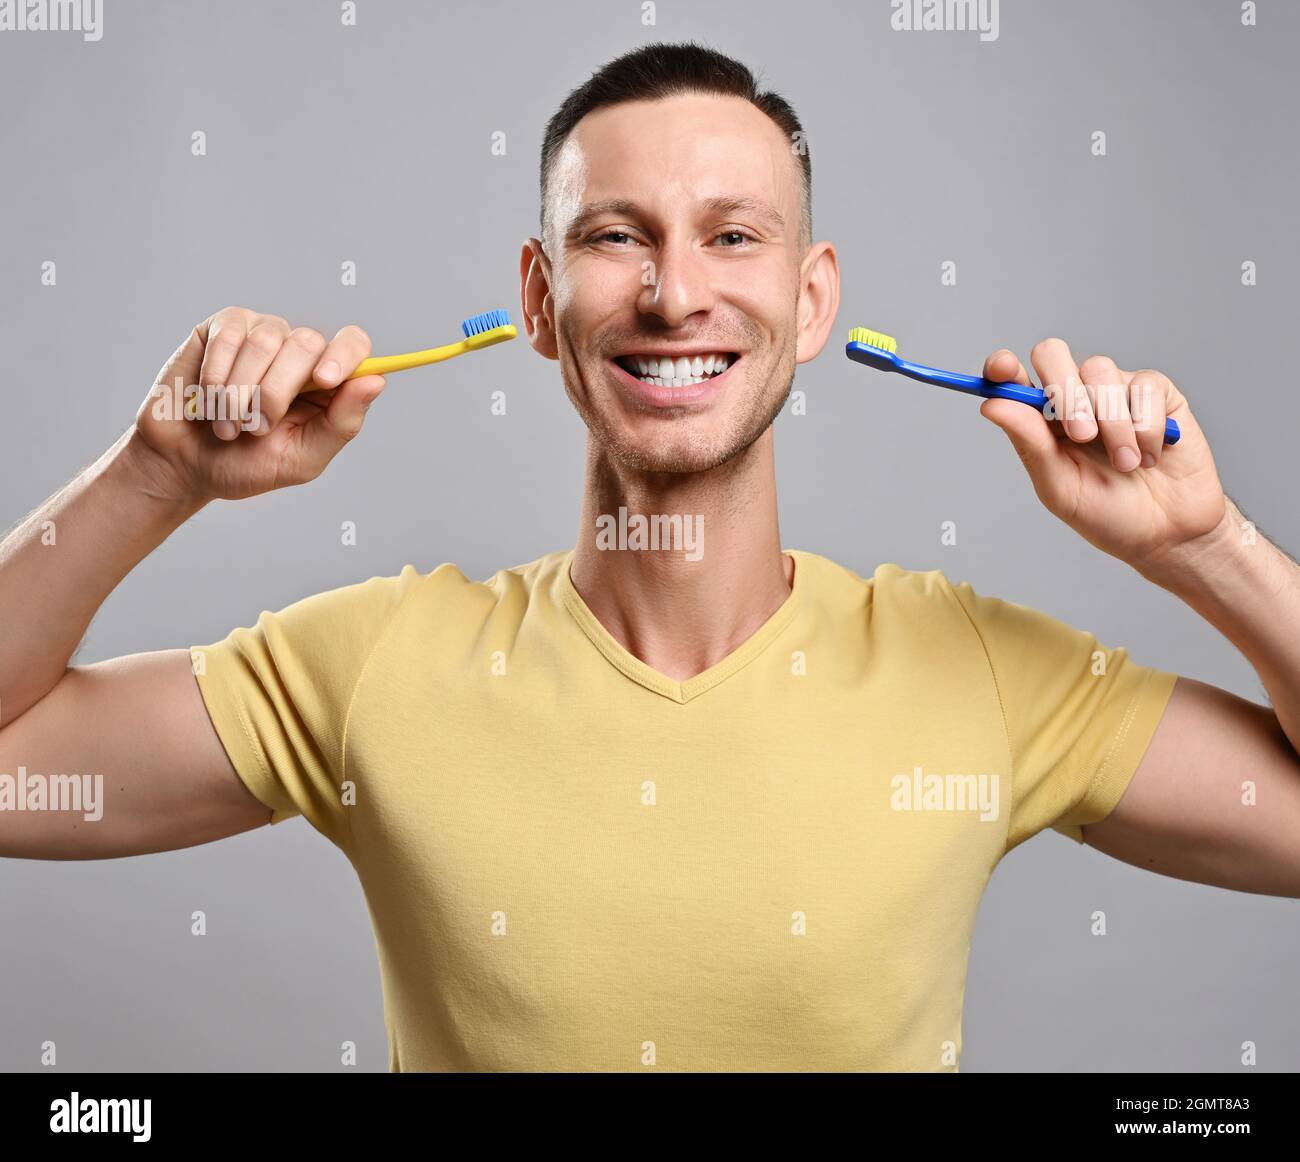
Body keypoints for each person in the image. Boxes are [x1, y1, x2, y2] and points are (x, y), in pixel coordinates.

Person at [2, 42, 1297, 1072]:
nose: (676, 294)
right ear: (535, 300)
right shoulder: (377, 665)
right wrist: (153, 474)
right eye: (616, 236)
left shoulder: (981, 673)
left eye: (733, 235)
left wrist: (1208, 545)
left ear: (813, 297)